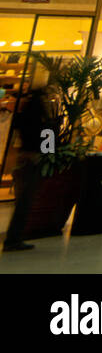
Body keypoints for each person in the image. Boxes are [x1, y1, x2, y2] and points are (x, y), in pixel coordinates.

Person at [3, 73, 55, 252]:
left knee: (24, 198)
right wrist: (49, 152)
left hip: (25, 154)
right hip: (33, 155)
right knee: (26, 198)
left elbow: (19, 128)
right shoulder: (40, 109)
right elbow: (47, 131)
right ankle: (14, 238)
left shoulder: (26, 108)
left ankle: (14, 236)